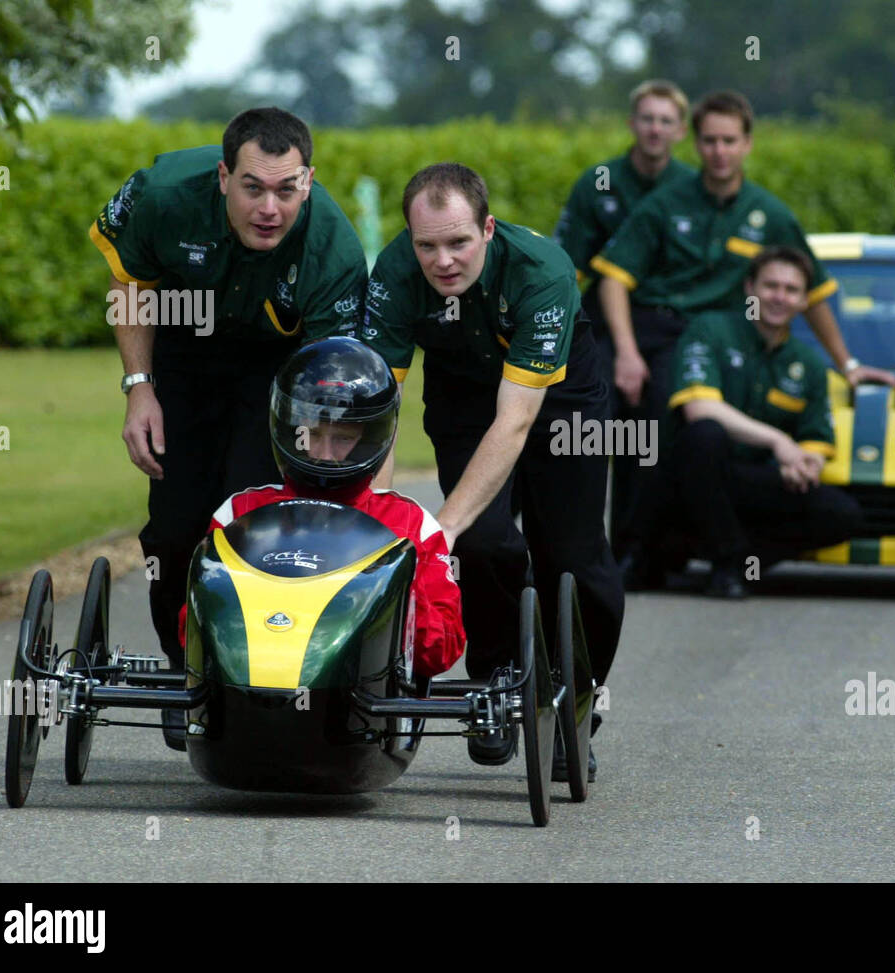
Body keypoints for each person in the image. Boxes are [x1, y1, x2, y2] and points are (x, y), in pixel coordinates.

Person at [361, 163, 623, 777]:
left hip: (560, 398)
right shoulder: (395, 274)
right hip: (462, 391)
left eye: (458, 242)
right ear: (409, 240)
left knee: (574, 557)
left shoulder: (542, 270)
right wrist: (377, 509)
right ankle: (497, 681)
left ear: (488, 228)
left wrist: (435, 530)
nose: (443, 260)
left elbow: (515, 422)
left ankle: (576, 703)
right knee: (483, 542)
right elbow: (379, 407)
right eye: (427, 245)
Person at [90, 107, 368, 677]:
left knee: (254, 516)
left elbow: (327, 377)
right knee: (173, 529)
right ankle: (182, 668)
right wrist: (139, 390)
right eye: (252, 188)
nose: (269, 209)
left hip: (278, 367)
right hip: (186, 348)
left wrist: (323, 460)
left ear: (307, 182)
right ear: (223, 178)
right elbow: (130, 282)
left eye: (287, 191)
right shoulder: (163, 196)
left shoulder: (333, 250)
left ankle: (253, 669)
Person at [588, 89, 895, 583]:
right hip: (660, 330)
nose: (719, 151)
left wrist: (849, 365)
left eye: (729, 141)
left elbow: (812, 293)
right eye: (709, 141)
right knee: (638, 430)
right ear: (696, 143)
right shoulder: (665, 203)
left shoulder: (770, 214)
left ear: (748, 144)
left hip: (725, 337)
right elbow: (614, 278)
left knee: (696, 436)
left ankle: (682, 549)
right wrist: (626, 353)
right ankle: (629, 551)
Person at [174, 337, 465, 691]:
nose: (325, 454)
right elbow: (194, 628)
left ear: (373, 437)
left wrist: (398, 595)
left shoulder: (411, 524)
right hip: (246, 693)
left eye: (343, 438)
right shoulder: (240, 512)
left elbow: (443, 650)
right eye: (310, 435)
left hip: (364, 703)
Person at [662, 247, 863, 597]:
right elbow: (698, 407)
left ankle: (736, 562)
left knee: (842, 513)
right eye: (771, 286)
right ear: (749, 287)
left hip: (754, 481)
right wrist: (777, 441)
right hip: (696, 477)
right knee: (705, 435)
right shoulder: (710, 329)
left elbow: (817, 440)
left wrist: (804, 466)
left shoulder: (809, 365)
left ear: (804, 301)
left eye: (791, 290)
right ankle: (724, 560)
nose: (779, 297)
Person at [552, 79, 693, 542]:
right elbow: (566, 266)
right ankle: (578, 543)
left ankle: (641, 552)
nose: (655, 129)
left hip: (671, 325)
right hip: (603, 324)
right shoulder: (599, 182)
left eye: (666, 121)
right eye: (648, 118)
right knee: (590, 430)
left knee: (656, 430)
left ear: (680, 130)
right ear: (633, 124)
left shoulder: (691, 187)